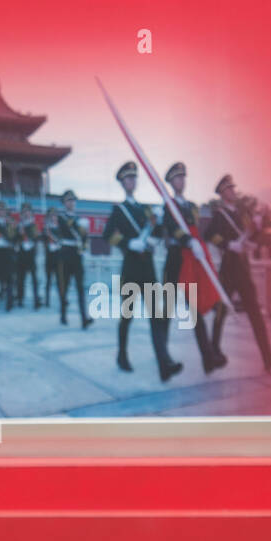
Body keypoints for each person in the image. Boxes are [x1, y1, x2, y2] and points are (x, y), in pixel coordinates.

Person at [104, 161, 181, 381]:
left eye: (134, 177)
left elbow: (155, 234)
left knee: (156, 317)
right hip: (130, 268)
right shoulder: (119, 210)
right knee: (127, 316)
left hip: (147, 268)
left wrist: (155, 231)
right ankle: (122, 355)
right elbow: (107, 234)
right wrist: (128, 243)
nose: (131, 181)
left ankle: (164, 364)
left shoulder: (146, 209)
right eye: (127, 178)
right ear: (121, 182)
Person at [206, 174, 271, 373]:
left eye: (233, 188)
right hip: (228, 268)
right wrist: (227, 244)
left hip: (243, 268)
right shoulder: (219, 214)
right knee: (222, 312)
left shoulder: (242, 214)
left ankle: (267, 356)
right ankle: (212, 350)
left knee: (255, 313)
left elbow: (250, 235)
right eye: (229, 189)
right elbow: (209, 235)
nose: (233, 191)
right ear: (223, 193)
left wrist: (256, 230)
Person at [157, 162, 221, 373]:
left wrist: (196, 244)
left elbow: (194, 228)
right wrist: (187, 241)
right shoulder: (168, 205)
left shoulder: (192, 206)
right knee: (165, 311)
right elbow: (173, 229)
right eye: (177, 178)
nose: (181, 181)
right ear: (171, 182)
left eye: (183, 177)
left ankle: (208, 358)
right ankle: (164, 359)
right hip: (175, 259)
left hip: (190, 260)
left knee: (195, 311)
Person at [52, 191, 92, 328]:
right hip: (64, 254)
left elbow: (85, 238)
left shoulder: (80, 219)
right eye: (69, 200)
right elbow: (66, 230)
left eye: (73, 200)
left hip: (77, 254)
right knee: (64, 286)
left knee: (80, 288)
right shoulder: (61, 218)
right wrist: (81, 227)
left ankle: (84, 318)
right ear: (64, 203)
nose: (72, 203)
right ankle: (63, 314)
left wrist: (85, 248)